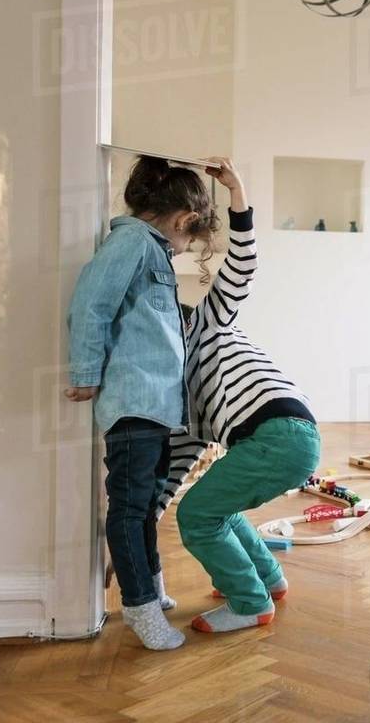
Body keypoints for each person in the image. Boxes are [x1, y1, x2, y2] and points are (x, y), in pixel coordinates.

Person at [65, 156, 217, 650]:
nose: (184, 248)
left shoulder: (153, 253)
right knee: (130, 507)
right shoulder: (131, 242)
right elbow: (92, 302)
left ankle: (150, 586)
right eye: (189, 239)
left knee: (147, 503)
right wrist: (86, 374)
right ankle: (138, 606)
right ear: (182, 220)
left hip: (155, 404)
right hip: (133, 401)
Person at [173, 157, 320, 634]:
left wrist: (236, 192)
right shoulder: (176, 372)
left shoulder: (208, 318)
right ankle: (267, 577)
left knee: (197, 513)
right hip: (289, 436)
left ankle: (249, 602)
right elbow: (185, 453)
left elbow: (242, 263)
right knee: (213, 502)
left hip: (276, 433)